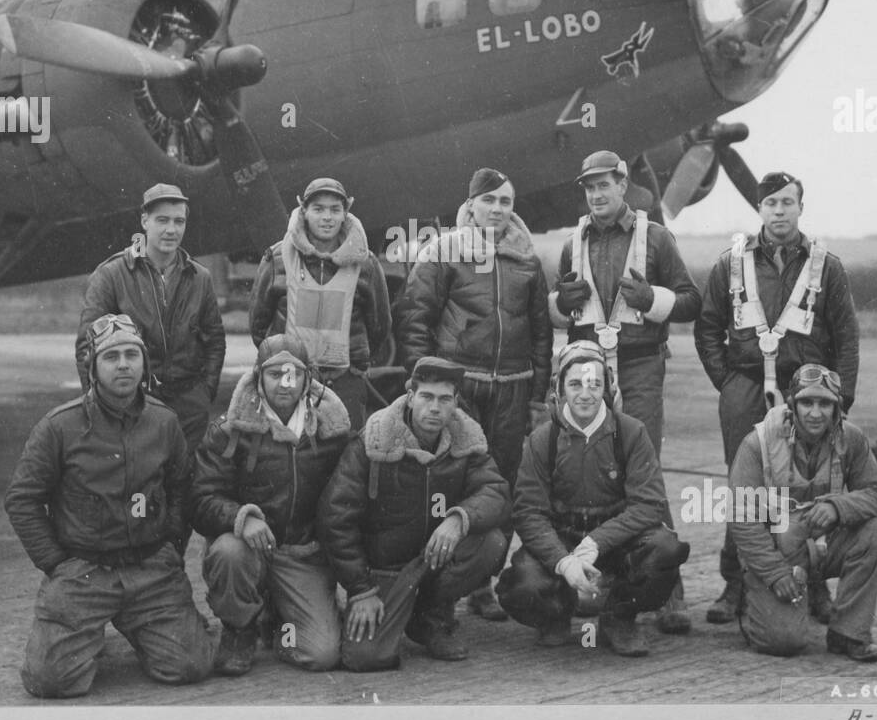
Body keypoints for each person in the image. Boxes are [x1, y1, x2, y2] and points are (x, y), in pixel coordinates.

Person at [5, 314, 214, 697]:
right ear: (93, 368)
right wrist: (55, 563)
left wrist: (170, 544)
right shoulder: (58, 427)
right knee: (50, 681)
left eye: (132, 355)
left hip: (150, 568)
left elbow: (182, 486)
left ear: (143, 364)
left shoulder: (165, 422)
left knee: (191, 665)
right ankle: (85, 632)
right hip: (84, 570)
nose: (123, 364)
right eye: (111, 356)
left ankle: (141, 625)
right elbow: (22, 499)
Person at [694, 171, 860, 625]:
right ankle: (735, 584)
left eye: (788, 202)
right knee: (744, 486)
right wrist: (727, 383)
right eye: (770, 202)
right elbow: (708, 328)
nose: (779, 210)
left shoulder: (827, 266)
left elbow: (846, 337)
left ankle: (816, 586)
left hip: (807, 390)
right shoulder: (730, 262)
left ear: (801, 208)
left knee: (813, 485)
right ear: (759, 209)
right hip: (745, 385)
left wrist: (837, 399)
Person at [550, 150, 701, 633]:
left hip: (638, 367)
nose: (597, 195)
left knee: (644, 469)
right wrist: (561, 304)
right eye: (589, 188)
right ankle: (583, 579)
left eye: (605, 186)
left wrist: (651, 300)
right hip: (588, 372)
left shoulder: (656, 238)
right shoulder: (572, 243)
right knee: (586, 465)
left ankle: (669, 589)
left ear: (624, 186)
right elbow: (557, 310)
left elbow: (692, 301)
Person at [395, 167, 552, 622]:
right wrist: (423, 385)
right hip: (458, 390)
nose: (498, 210)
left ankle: (482, 581)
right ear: (471, 205)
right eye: (489, 201)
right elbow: (415, 319)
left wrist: (537, 396)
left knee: (497, 485)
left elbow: (541, 333)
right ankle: (432, 588)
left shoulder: (527, 258)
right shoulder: (443, 251)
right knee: (446, 482)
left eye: (505, 202)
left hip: (512, 391)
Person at [497, 342, 690, 656]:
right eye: (574, 384)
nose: (585, 394)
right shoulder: (542, 440)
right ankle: (556, 614)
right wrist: (564, 561)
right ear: (558, 390)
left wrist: (598, 542)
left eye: (594, 384)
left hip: (614, 543)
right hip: (564, 538)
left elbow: (650, 505)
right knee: (522, 585)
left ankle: (619, 616)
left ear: (608, 389)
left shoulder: (631, 433)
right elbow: (528, 513)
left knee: (665, 549)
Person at [317, 357, 510, 671]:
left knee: (490, 541)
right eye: (427, 397)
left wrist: (458, 518)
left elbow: (496, 491)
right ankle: (372, 611)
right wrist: (360, 589)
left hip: (433, 559)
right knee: (366, 658)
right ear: (410, 397)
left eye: (445, 399)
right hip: (384, 570)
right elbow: (336, 518)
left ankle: (430, 618)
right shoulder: (374, 439)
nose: (435, 408)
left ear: (455, 403)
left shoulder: (465, 438)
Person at [190, 335, 352, 676]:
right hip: (251, 548)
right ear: (257, 376)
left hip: (301, 553)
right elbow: (201, 499)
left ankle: (281, 626)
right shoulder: (229, 431)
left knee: (321, 654)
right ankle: (239, 630)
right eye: (275, 373)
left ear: (309, 377)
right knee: (227, 552)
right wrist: (240, 517)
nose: (285, 383)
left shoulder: (332, 429)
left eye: (294, 374)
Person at [728, 364, 877, 661]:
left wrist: (838, 506)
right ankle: (759, 597)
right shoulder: (758, 443)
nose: (815, 413)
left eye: (825, 404)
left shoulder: (852, 439)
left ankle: (848, 632)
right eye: (807, 402)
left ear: (837, 408)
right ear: (792, 405)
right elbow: (742, 520)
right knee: (784, 643)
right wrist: (774, 572)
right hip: (776, 551)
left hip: (822, 544)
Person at [75, 182, 227, 451]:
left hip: (188, 406)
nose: (171, 229)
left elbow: (214, 340)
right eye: (162, 220)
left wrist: (205, 393)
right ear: (145, 221)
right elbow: (87, 345)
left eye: (179, 221)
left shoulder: (200, 277)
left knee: (185, 484)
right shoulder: (112, 274)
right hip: (135, 404)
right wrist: (100, 402)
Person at [250, 177, 392, 430]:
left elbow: (379, 324)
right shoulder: (277, 258)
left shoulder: (366, 264)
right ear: (304, 211)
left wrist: (358, 362)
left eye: (335, 209)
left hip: (345, 379)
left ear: (345, 213)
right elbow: (259, 323)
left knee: (346, 452)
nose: (327, 217)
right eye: (318, 209)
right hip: (288, 376)